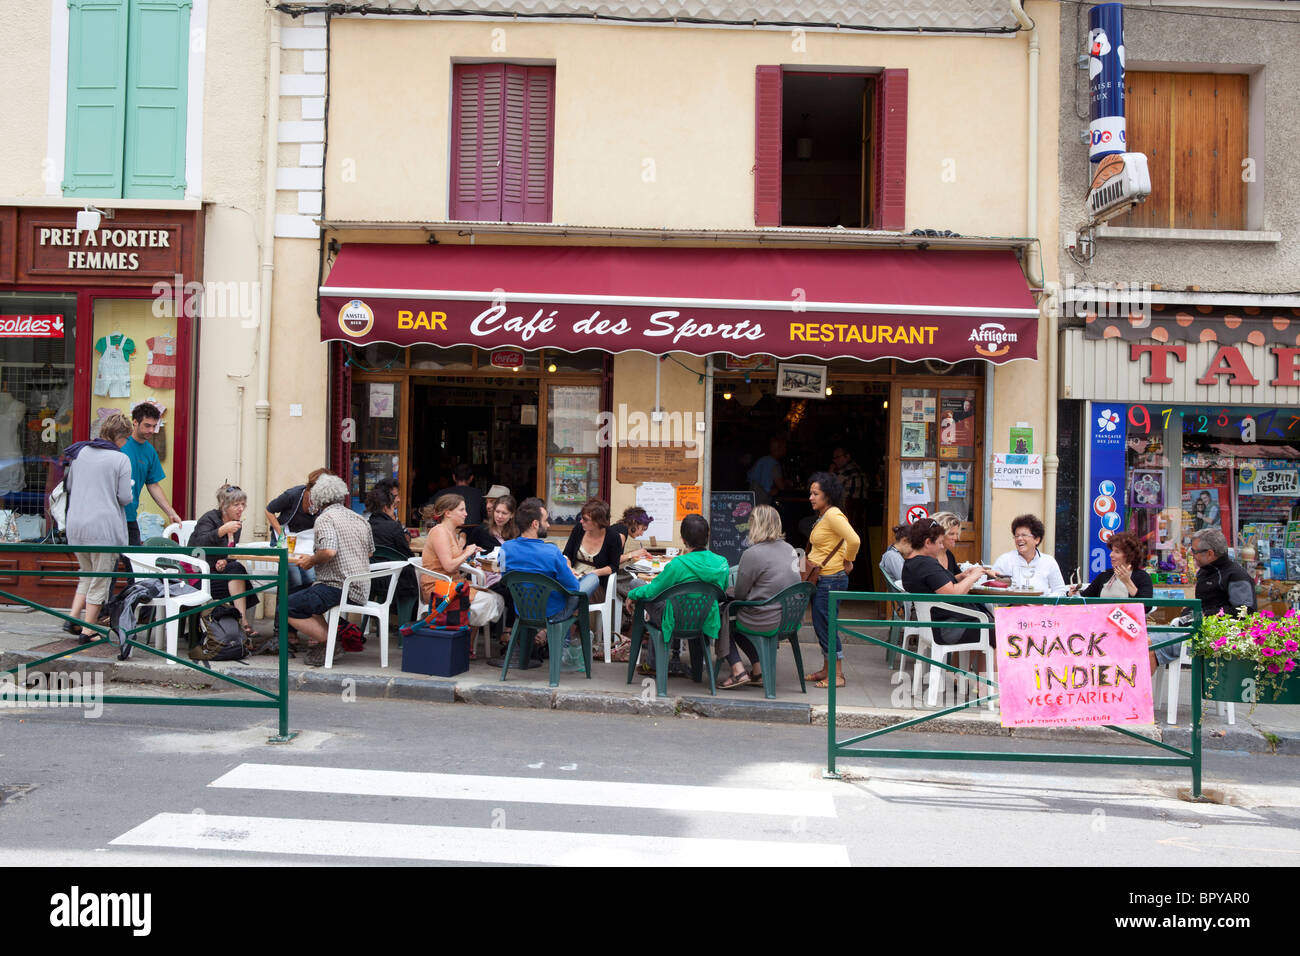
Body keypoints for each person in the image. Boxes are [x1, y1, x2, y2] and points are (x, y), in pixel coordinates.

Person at [285, 474, 375, 667]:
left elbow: (328, 551)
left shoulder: (325, 519)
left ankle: (331, 643)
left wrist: (311, 561)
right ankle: (328, 642)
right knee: (308, 597)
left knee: (287, 606)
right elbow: (368, 554)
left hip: (339, 587)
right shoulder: (359, 519)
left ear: (318, 498)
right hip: (361, 587)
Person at [627, 514, 730, 676]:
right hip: (705, 618)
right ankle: (691, 669)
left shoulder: (677, 564)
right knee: (671, 601)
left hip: (675, 619)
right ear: (708, 536)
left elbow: (653, 590)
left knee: (637, 586)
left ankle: (654, 664)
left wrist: (632, 594)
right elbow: (722, 592)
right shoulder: (722, 563)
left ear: (683, 539)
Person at [64, 413, 134, 639]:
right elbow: (124, 497)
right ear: (121, 437)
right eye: (126, 439)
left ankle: (73, 618)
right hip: (102, 527)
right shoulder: (120, 459)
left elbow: (70, 485)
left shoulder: (81, 452)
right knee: (101, 578)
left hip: (76, 524)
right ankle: (88, 629)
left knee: (86, 573)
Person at [719, 504, 799, 690]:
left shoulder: (753, 553)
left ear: (756, 525)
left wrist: (729, 591)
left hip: (766, 619)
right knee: (737, 621)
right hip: (789, 619)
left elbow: (740, 594)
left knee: (722, 616)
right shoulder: (790, 549)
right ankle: (758, 669)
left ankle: (738, 670)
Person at [802, 471, 861, 689]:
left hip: (831, 579)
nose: (811, 497)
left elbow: (854, 540)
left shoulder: (833, 514)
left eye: (815, 494)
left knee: (826, 624)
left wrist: (848, 561)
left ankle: (837, 675)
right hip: (824, 579)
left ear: (828, 495)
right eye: (811, 493)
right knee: (821, 624)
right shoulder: (825, 515)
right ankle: (827, 669)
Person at [420, 493, 504, 630]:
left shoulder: (451, 531)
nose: (466, 514)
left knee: (497, 598)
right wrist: (467, 552)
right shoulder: (439, 532)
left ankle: (467, 644)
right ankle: (464, 642)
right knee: (489, 601)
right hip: (437, 587)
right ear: (448, 513)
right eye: (462, 510)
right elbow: (448, 565)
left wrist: (470, 552)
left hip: (453, 583)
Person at [901, 518, 989, 646]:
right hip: (946, 629)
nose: (942, 546)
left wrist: (962, 576)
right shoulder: (926, 564)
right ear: (927, 542)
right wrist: (974, 576)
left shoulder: (911, 563)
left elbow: (936, 586)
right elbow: (951, 594)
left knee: (990, 625)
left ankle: (957, 667)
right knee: (999, 631)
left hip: (935, 625)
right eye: (940, 543)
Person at [500, 497, 590, 620]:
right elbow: (573, 587)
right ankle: (565, 634)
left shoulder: (505, 548)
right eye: (546, 520)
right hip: (552, 613)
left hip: (522, 611)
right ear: (535, 524)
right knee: (592, 579)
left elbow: (505, 579)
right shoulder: (551, 552)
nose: (548, 524)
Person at [190, 483, 260, 639]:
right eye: (236, 505)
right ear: (224, 506)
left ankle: (239, 624)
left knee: (237, 570)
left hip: (218, 573)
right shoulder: (209, 518)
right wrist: (223, 530)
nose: (240, 508)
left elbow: (230, 552)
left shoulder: (237, 524)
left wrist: (225, 561)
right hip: (198, 576)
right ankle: (242, 623)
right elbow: (199, 545)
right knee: (242, 578)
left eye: (243, 504)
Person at [1186, 529, 1257, 668]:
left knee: (1153, 646)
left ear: (1210, 553)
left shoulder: (1236, 575)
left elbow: (1246, 611)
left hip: (1222, 640)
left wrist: (1207, 614)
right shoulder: (1205, 570)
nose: (1192, 555)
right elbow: (1204, 603)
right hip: (1198, 632)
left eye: (1194, 551)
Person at [122, 402, 182, 545]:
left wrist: (170, 512)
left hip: (130, 516)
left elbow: (153, 485)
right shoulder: (121, 444)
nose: (151, 430)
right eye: (147, 425)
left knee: (134, 564)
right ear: (135, 422)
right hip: (111, 517)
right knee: (109, 564)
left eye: (154, 426)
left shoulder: (150, 451)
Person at [265, 467, 330, 591]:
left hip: (306, 542)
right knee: (293, 578)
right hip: (284, 539)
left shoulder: (324, 502)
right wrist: (281, 534)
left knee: (310, 578)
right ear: (311, 488)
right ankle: (284, 609)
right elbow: (269, 510)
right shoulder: (293, 495)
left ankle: (301, 608)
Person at [364, 479, 417, 611]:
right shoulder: (392, 526)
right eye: (394, 498)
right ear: (386, 504)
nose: (397, 501)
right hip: (394, 581)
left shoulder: (366, 524)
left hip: (370, 578)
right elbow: (408, 557)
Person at [992, 514, 1068, 596]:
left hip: (1042, 608)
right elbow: (993, 590)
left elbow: (1060, 590)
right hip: (1013, 607)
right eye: (1016, 536)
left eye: (1024, 535)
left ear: (1037, 539)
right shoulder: (1004, 560)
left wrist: (1044, 603)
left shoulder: (1049, 561)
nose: (1019, 539)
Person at [562, 498, 621, 601]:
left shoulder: (613, 537)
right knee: (555, 590)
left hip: (597, 582)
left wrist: (593, 574)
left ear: (598, 522)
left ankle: (567, 615)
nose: (581, 521)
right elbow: (567, 554)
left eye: (585, 519)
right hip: (573, 577)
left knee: (578, 596)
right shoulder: (579, 529)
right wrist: (569, 568)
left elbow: (613, 566)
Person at [1076, 531, 1153, 602]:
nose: (1111, 555)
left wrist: (1127, 582)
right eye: (1112, 550)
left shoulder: (1142, 577)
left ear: (1129, 555)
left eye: (1117, 552)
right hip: (1103, 616)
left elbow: (1146, 607)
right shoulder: (1105, 575)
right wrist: (1073, 593)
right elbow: (1084, 597)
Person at [747, 436, 788, 506]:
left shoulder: (762, 460)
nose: (786, 450)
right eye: (785, 447)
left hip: (751, 501)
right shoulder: (773, 464)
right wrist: (788, 483)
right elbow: (781, 486)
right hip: (761, 503)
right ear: (779, 448)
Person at [930, 511, 963, 576]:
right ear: (939, 535)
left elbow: (955, 577)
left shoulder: (949, 554)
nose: (956, 538)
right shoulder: (929, 558)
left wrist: (971, 573)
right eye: (951, 534)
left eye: (957, 534)